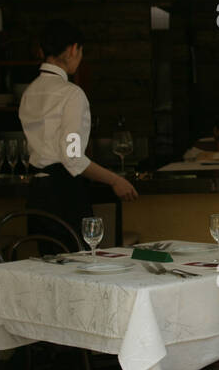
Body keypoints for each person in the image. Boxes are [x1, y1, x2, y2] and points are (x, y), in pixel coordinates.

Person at [19, 19, 137, 252]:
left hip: (36, 196)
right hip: (64, 196)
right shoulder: (71, 94)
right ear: (73, 49)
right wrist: (115, 180)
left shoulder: (30, 92)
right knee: (76, 273)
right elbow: (72, 157)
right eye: (81, 51)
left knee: (48, 273)